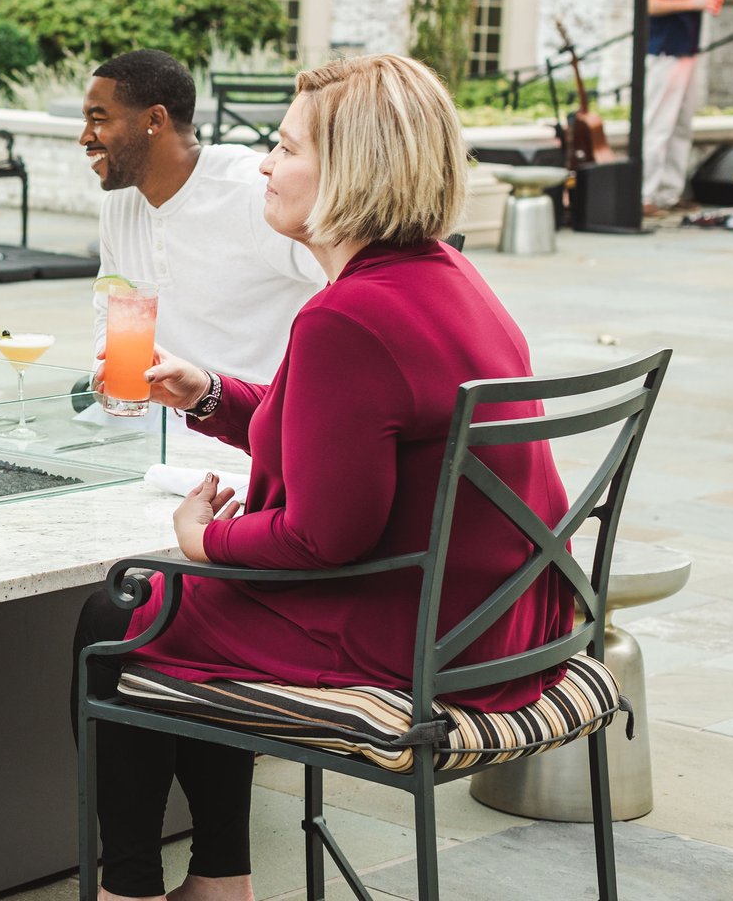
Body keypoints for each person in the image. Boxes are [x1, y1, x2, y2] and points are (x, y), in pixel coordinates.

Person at [76, 55, 571, 901]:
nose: (264, 166)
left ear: (350, 170)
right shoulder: (442, 277)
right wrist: (210, 394)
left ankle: (132, 889)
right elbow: (333, 428)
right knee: (185, 601)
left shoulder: (347, 315)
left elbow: (319, 539)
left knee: (120, 613)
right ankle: (219, 878)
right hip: (509, 622)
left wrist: (204, 540)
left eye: (286, 147)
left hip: (423, 641)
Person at [81, 49, 323, 386]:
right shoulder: (119, 204)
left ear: (154, 120)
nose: (85, 137)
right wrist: (108, 372)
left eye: (99, 119)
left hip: (252, 414)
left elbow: (343, 285)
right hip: (149, 410)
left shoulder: (256, 191)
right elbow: (107, 312)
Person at [644, 0, 733, 216]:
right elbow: (649, 3)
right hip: (665, 51)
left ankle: (670, 193)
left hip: (689, 50)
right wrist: (694, 1)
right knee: (659, 125)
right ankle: (646, 195)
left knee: (682, 127)